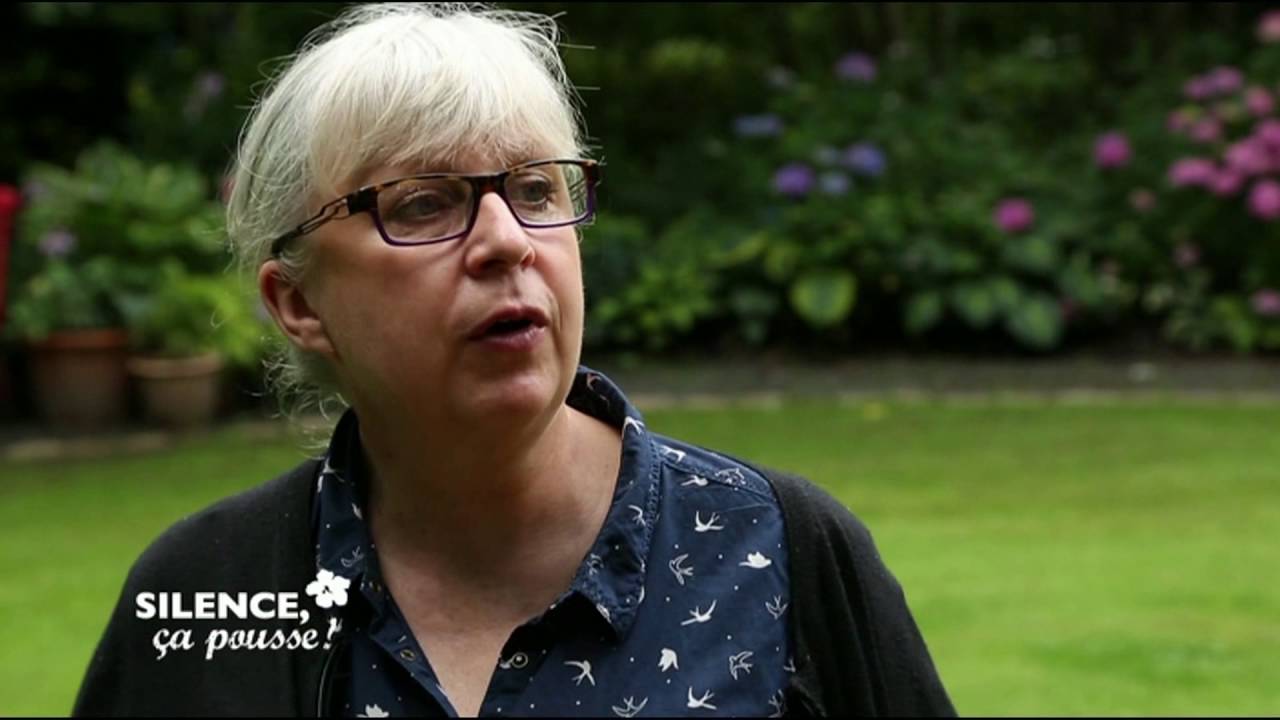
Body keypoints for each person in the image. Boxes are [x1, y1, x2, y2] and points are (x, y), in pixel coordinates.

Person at [73, 4, 954, 717]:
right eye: (422, 203)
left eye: (537, 190)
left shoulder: (783, 553)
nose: (507, 241)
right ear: (300, 304)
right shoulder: (207, 597)